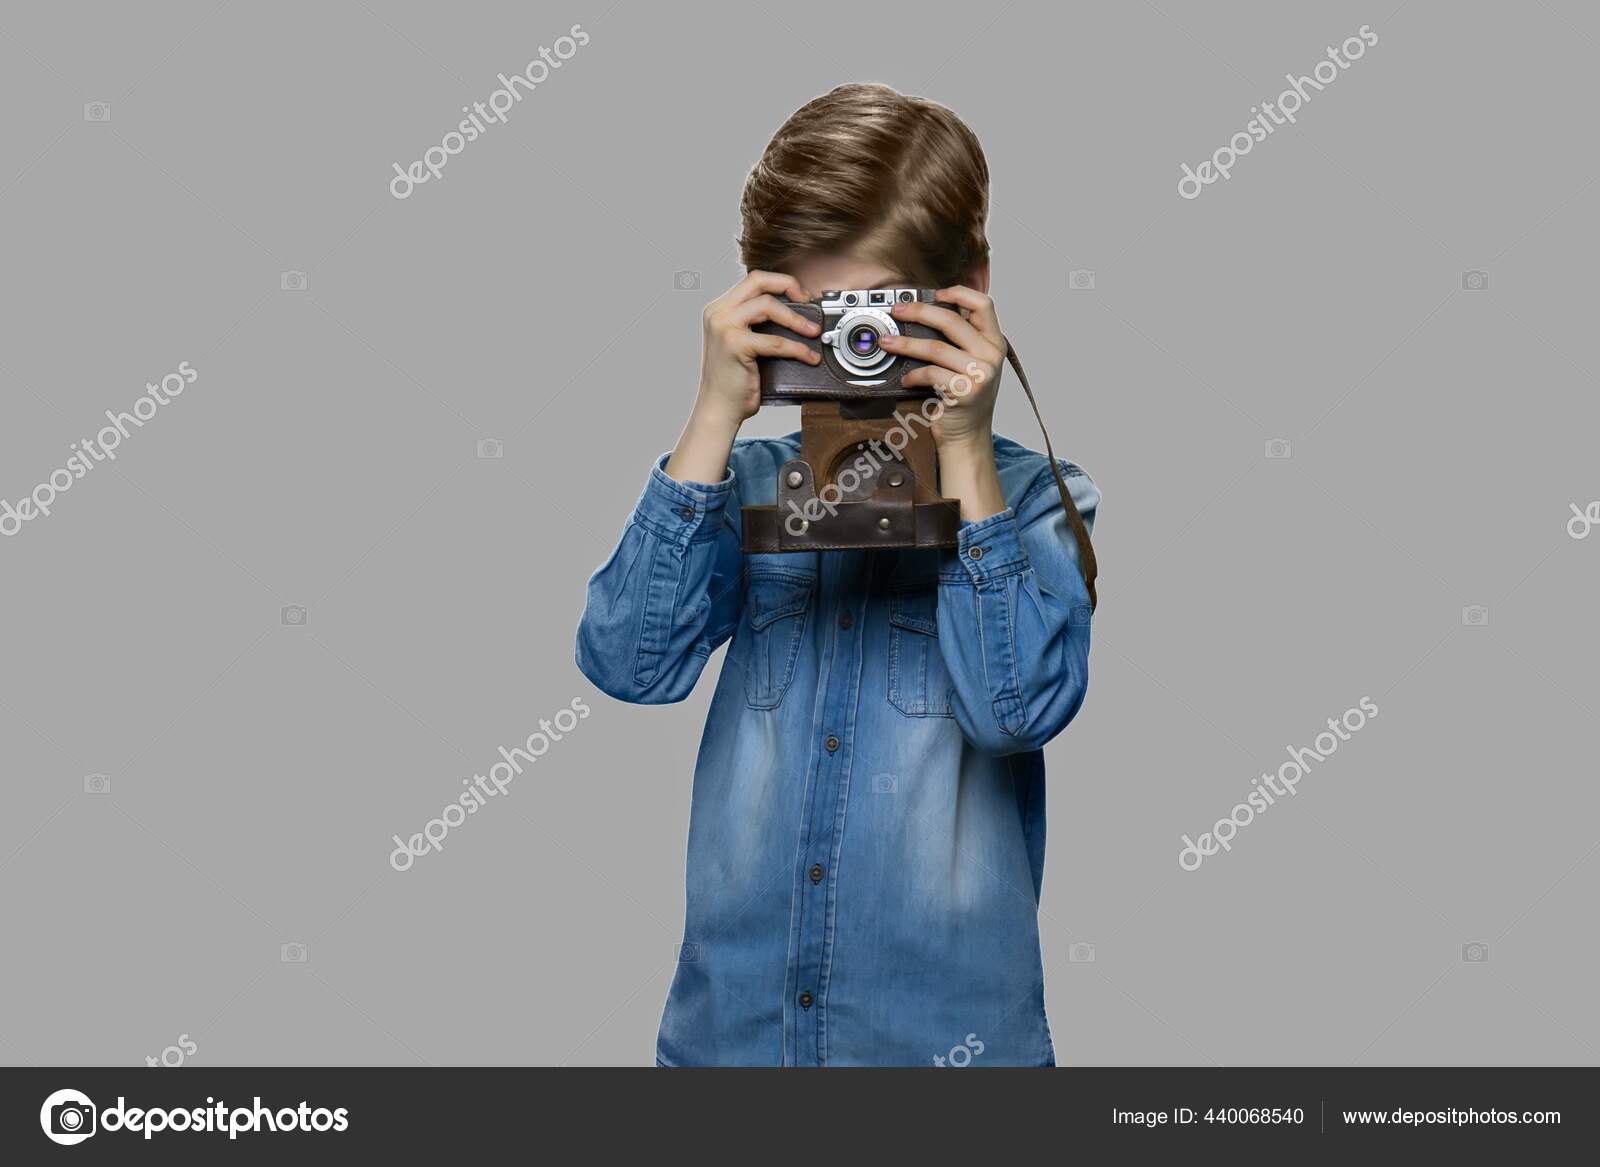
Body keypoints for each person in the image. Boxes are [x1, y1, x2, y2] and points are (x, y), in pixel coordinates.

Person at [576, 83, 1098, 1067]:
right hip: (733, 1046)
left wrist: (967, 458)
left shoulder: (1032, 504)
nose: (857, 355)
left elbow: (1016, 711)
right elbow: (627, 666)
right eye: (828, 322)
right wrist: (713, 417)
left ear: (969, 294)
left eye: (881, 318)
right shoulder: (744, 484)